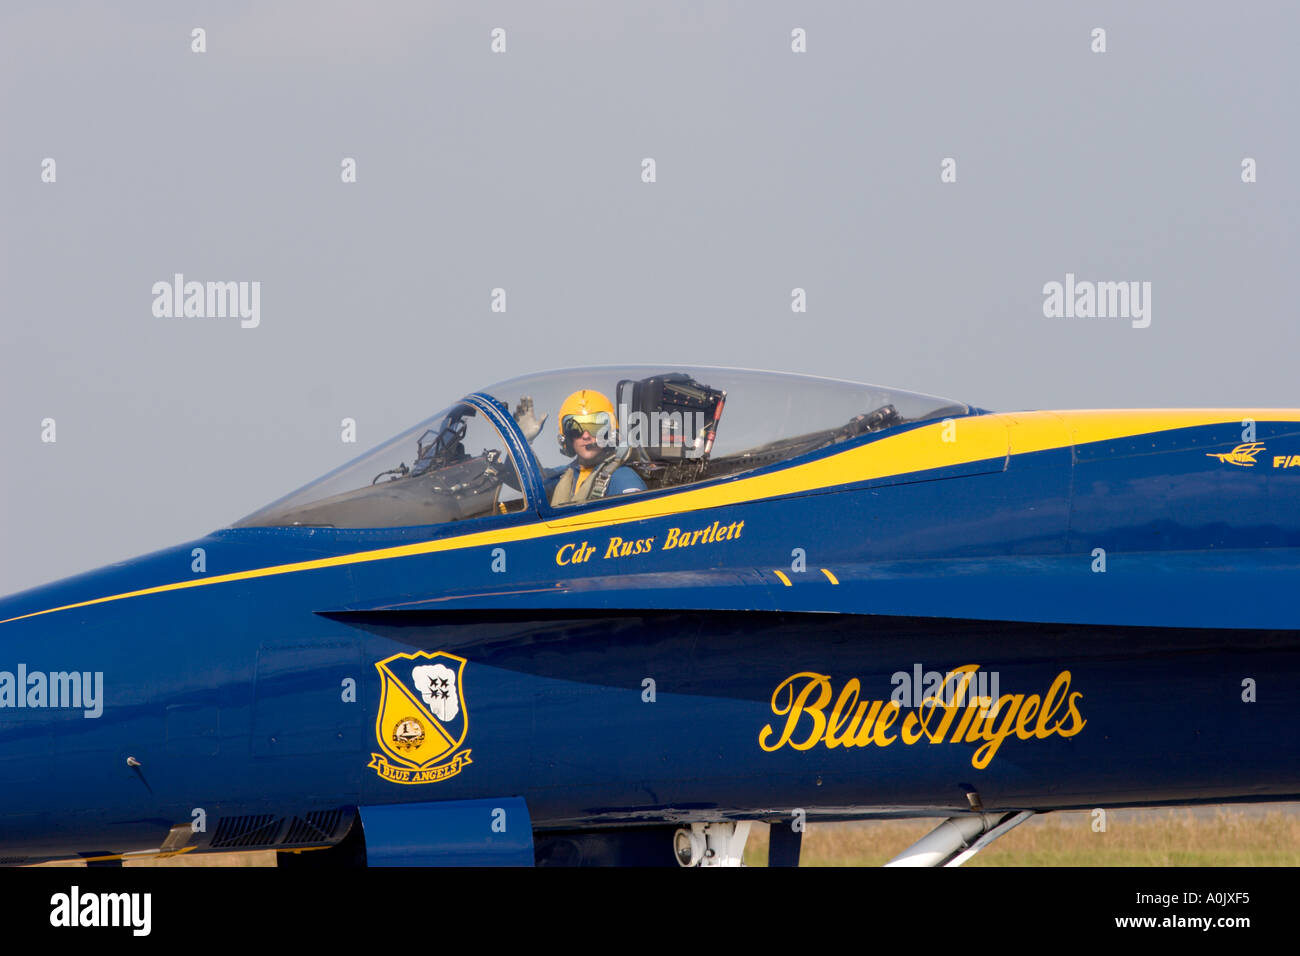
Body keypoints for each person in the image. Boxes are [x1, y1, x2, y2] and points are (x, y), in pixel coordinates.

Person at [513, 390, 645, 506]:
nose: (586, 436)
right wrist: (520, 440)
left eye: (595, 428)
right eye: (576, 430)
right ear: (566, 437)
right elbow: (522, 482)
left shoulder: (623, 478)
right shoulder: (565, 476)